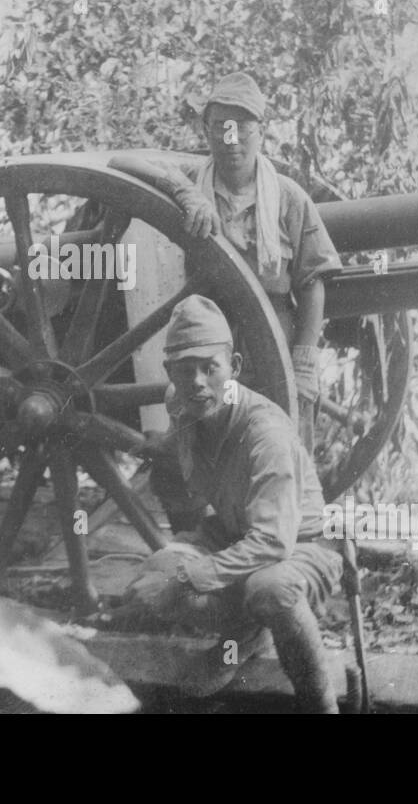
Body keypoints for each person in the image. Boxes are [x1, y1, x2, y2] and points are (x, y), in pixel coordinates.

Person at [126, 294, 343, 713]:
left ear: (235, 368)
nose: (199, 382)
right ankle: (247, 633)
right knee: (150, 578)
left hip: (302, 546)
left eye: (211, 367)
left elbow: (272, 544)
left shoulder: (266, 435)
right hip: (233, 533)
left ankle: (322, 705)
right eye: (185, 370)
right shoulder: (182, 405)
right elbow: (182, 460)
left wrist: (187, 578)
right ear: (170, 371)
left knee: (268, 589)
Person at [108, 71, 341, 451]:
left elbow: (312, 282)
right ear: (206, 130)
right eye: (221, 127)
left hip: (271, 343)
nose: (231, 139)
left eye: (243, 128)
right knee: (207, 460)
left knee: (284, 455)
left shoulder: (287, 198)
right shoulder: (192, 181)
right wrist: (184, 192)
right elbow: (121, 161)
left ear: (261, 132)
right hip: (206, 347)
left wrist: (303, 359)